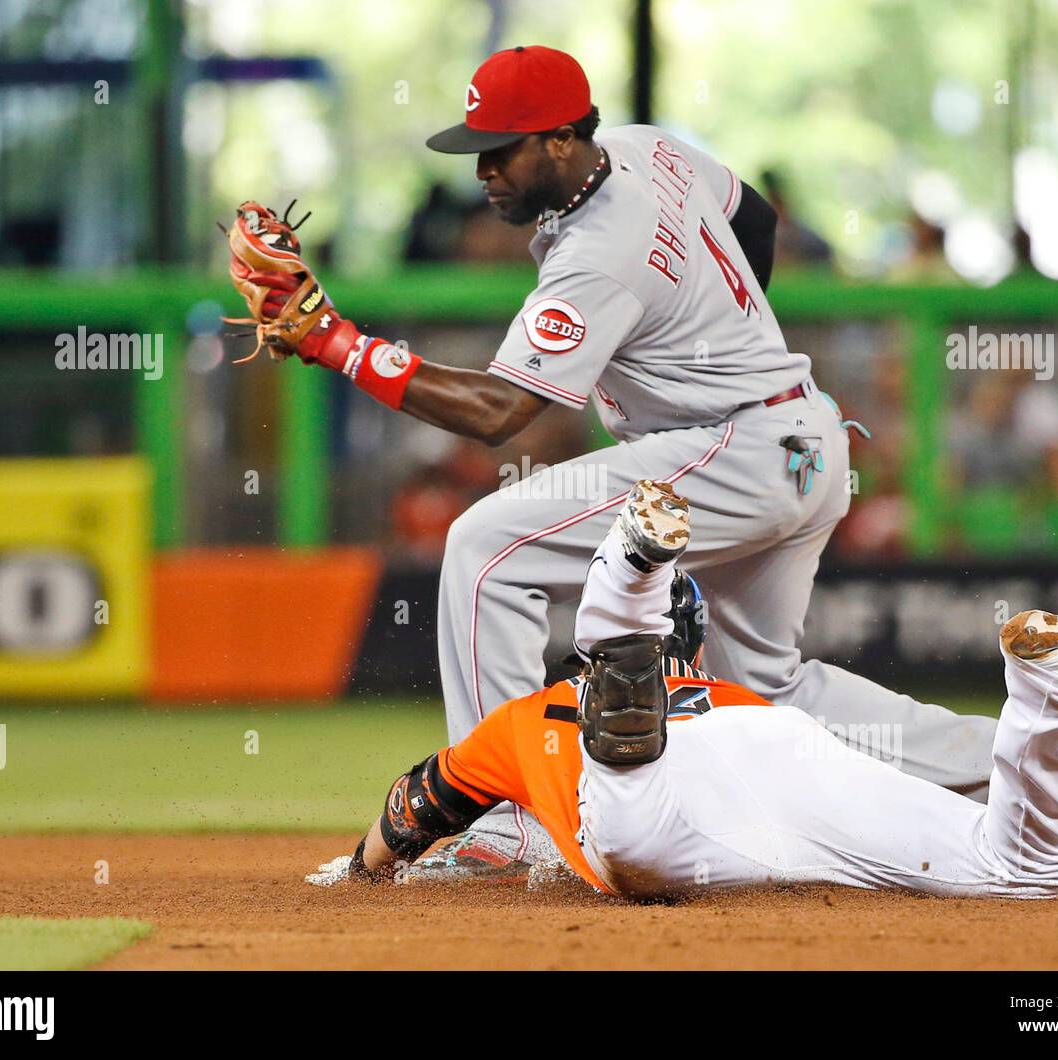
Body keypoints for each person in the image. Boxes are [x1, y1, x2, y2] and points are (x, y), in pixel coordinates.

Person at [225, 44, 997, 879]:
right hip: (802, 441)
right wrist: (729, 340)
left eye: (502, 148)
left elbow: (499, 412)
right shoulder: (649, 149)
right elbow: (758, 220)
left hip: (734, 446)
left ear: (560, 140)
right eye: (478, 148)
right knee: (764, 693)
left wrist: (337, 342)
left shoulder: (599, 250)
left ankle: (506, 826)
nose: (483, 170)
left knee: (486, 548)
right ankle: (992, 755)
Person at [306, 480, 1058, 899]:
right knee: (1028, 872)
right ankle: (1045, 701)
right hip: (783, 769)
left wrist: (361, 871)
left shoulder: (518, 722)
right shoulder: (751, 703)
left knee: (631, 841)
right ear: (698, 644)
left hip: (643, 789)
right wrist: (1008, 767)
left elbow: (416, 804)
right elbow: (873, 772)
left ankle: (624, 583)